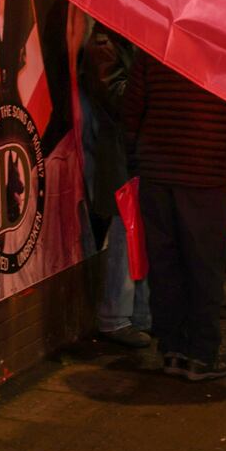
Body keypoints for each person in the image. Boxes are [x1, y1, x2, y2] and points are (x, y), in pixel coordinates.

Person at [122, 54, 226, 380]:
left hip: (157, 172)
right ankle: (201, 356)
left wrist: (137, 162)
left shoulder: (155, 45)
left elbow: (132, 110)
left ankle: (172, 349)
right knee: (204, 267)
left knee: (165, 265)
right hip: (206, 174)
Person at [78, 24, 152, 346]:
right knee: (125, 232)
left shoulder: (124, 41)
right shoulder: (104, 45)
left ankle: (138, 314)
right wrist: (150, 79)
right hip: (118, 152)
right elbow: (118, 98)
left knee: (136, 233)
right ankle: (116, 317)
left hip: (130, 151)